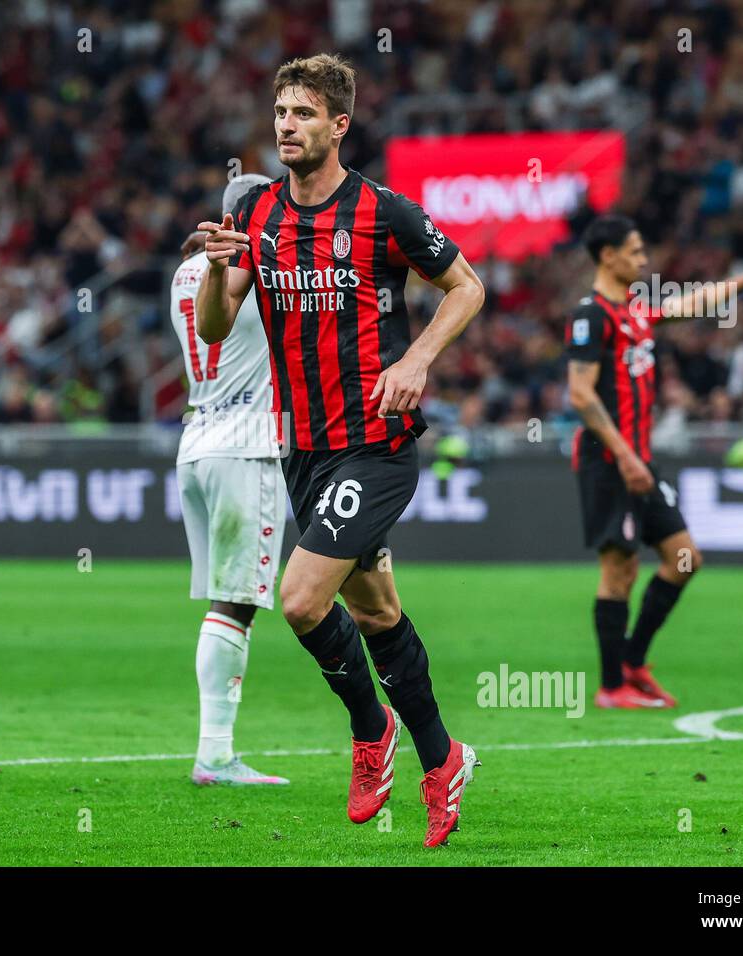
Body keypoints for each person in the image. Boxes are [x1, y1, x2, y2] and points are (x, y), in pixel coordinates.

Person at [194, 54, 486, 847]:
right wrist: (222, 275)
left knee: (299, 599)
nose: (285, 125)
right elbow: (219, 331)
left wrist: (418, 358)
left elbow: (468, 285)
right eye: (280, 112)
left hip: (375, 444)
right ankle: (443, 758)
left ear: (338, 126)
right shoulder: (257, 219)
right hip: (304, 450)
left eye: (302, 114)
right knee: (377, 611)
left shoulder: (385, 213)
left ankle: (371, 731)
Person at [565, 215, 743, 707]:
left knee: (684, 557)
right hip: (610, 460)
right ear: (607, 256)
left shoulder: (634, 311)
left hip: (639, 461)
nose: (644, 260)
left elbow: (692, 303)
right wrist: (625, 456)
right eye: (634, 251)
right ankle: (612, 687)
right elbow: (581, 395)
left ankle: (632, 661)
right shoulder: (592, 316)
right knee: (619, 570)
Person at [170, 174, 290, 787]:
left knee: (228, 598)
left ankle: (215, 753)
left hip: (196, 439)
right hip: (248, 445)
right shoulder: (261, 268)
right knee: (236, 601)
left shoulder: (185, 273)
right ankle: (214, 755)